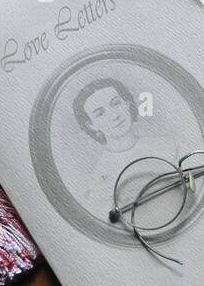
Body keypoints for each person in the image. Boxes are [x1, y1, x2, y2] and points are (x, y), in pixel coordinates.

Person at [72, 76, 178, 222]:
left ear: (127, 104)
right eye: (100, 113)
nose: (114, 115)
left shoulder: (165, 146)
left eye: (115, 104)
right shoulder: (99, 178)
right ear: (91, 125)